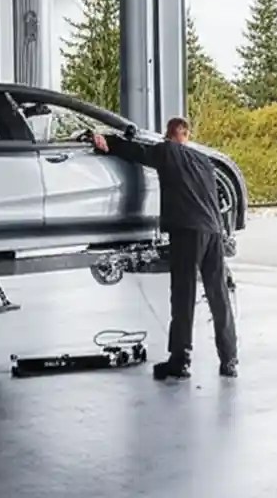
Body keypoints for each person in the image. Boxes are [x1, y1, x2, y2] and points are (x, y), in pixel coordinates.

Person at [93, 117, 238, 380]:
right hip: (213, 232)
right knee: (219, 297)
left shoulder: (166, 151)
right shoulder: (203, 160)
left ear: (166, 135)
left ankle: (180, 361)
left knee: (183, 296)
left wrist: (107, 142)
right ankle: (229, 360)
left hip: (187, 231)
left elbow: (136, 151)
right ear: (187, 134)